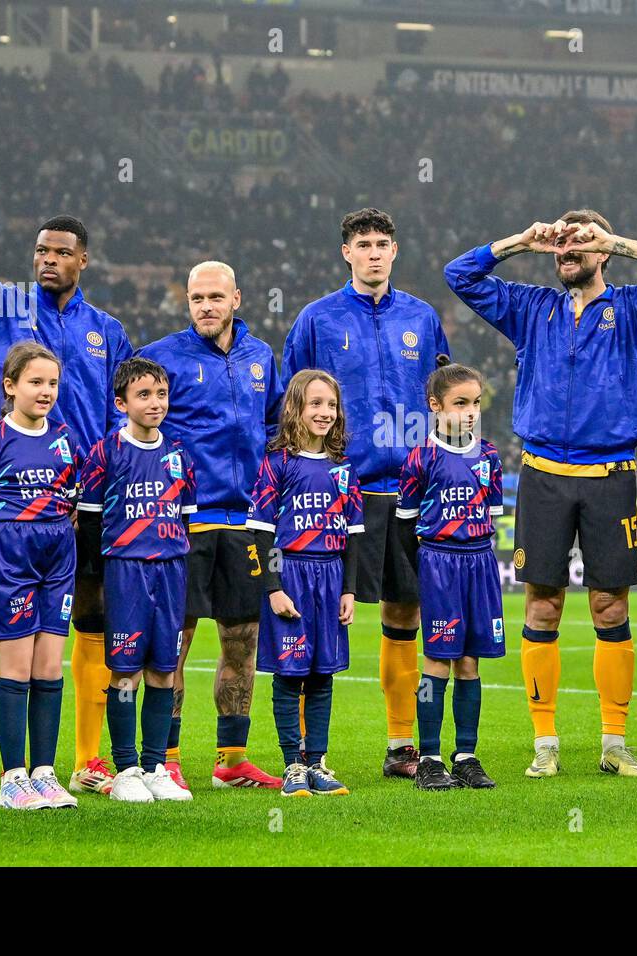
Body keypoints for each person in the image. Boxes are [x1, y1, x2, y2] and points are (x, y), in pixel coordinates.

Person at [0, 114, 135, 794]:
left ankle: (86, 760)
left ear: (83, 260)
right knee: (23, 642)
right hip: (18, 506)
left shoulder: (108, 332)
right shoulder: (0, 307)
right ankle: (21, 772)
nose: (47, 258)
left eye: (61, 251)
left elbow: (121, 416)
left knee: (88, 624)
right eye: (41, 249)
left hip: (87, 503)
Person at [445, 211, 637, 778]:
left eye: (580, 243)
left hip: (610, 478)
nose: (567, 251)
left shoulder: (636, 311)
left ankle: (613, 744)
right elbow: (459, 274)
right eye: (561, 243)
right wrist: (519, 242)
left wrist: (617, 241)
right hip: (543, 476)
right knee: (543, 604)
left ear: (603, 252)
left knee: (611, 606)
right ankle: (545, 745)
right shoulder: (534, 308)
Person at [285, 208, 449, 779]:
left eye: (383, 243)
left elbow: (443, 397)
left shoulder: (423, 319)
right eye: (364, 244)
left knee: (406, 612)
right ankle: (306, 755)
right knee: (317, 613)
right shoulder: (316, 320)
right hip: (337, 487)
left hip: (408, 487)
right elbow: (291, 403)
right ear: (346, 253)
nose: (374, 252)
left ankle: (401, 745)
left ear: (395, 252)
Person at [139, 261, 284, 790]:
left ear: (237, 299)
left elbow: (274, 425)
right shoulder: (160, 356)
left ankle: (231, 758)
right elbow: (135, 426)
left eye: (215, 297)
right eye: (196, 297)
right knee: (174, 640)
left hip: (242, 520)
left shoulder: (260, 357)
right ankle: (166, 758)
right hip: (182, 520)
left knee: (242, 639)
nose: (205, 306)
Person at [0, 342, 82, 809]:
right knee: (16, 671)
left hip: (57, 556)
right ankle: (13, 778)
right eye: (35, 382)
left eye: (51, 383)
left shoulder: (67, 439)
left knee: (49, 668)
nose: (45, 391)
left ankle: (45, 773)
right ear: (10, 387)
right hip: (8, 555)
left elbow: (75, 499)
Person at [76, 358, 197, 803]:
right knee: (125, 671)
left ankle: (155, 766)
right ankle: (126, 768)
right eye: (143, 394)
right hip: (125, 571)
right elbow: (89, 524)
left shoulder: (180, 456)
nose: (154, 403)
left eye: (161, 394)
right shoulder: (105, 453)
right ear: (121, 402)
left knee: (164, 670)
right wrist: (98, 577)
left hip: (170, 571)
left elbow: (186, 521)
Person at [247, 370, 362, 797]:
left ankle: (318, 762)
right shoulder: (277, 463)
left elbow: (352, 538)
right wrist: (273, 587)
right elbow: (261, 532)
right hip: (291, 574)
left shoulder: (343, 469)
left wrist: (348, 590)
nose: (324, 413)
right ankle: (292, 765)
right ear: (295, 408)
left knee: (321, 675)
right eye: (315, 404)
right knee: (288, 674)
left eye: (331, 405)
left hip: (330, 578)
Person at [396, 361, 505, 791]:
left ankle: (466, 756)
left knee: (470, 660)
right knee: (438, 659)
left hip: (478, 562)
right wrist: (424, 573)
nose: (470, 412)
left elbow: (492, 517)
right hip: (439, 562)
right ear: (435, 406)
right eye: (460, 403)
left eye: (476, 403)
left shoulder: (490, 455)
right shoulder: (421, 457)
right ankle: (428, 757)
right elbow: (406, 527)